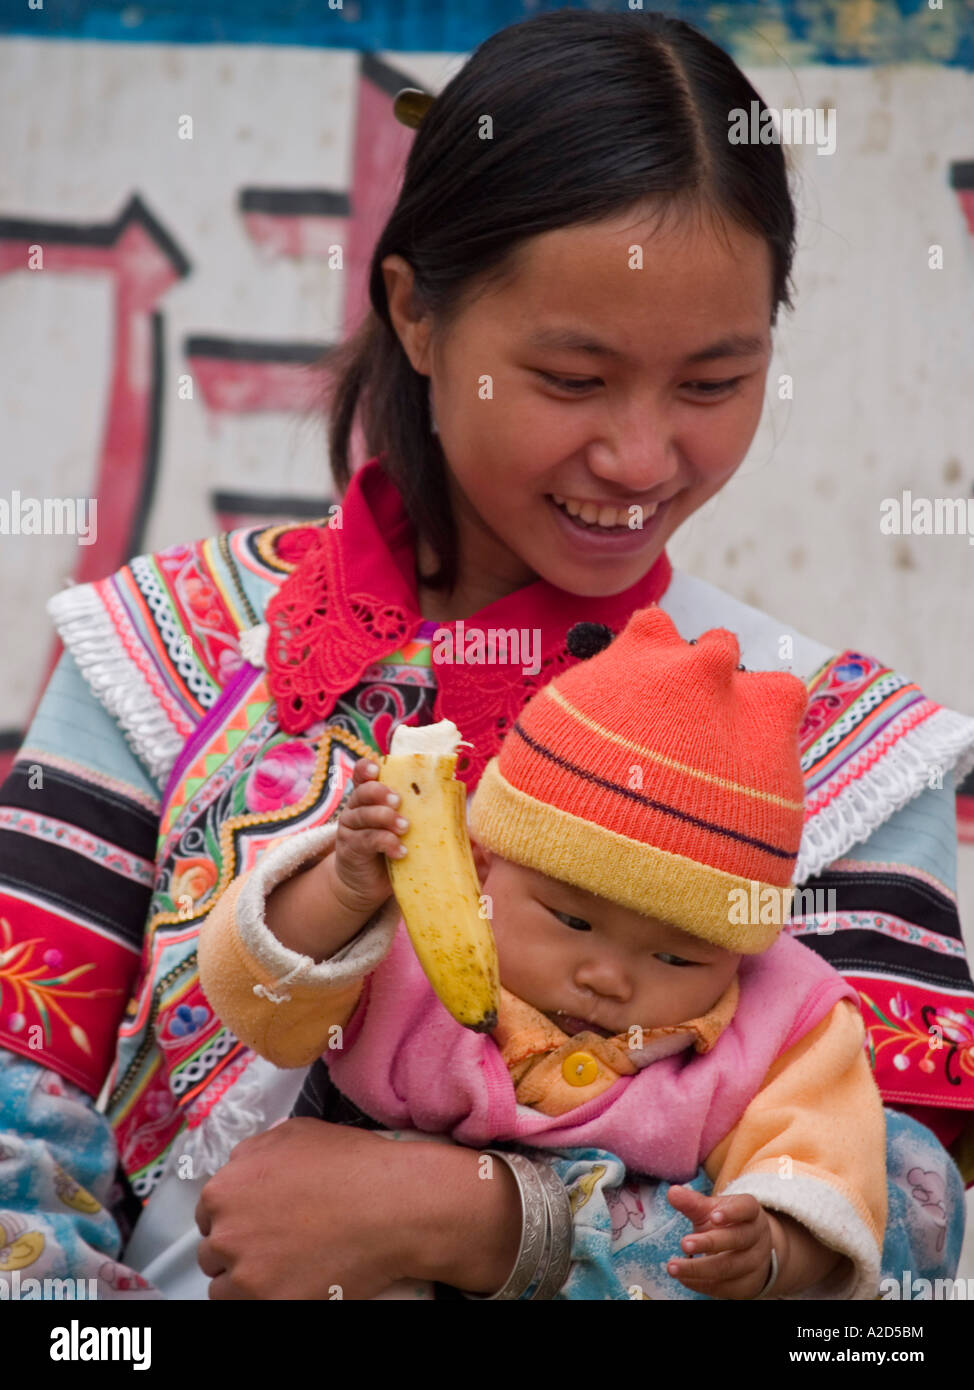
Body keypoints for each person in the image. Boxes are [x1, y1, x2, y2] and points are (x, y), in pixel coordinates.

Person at [1, 9, 971, 1300]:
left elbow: (903, 1216)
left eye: (710, 383)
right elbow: (15, 1104)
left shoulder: (838, 749)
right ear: (413, 311)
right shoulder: (163, 659)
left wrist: (498, 1224)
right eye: (571, 378)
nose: (639, 459)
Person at [198, 604, 889, 1301]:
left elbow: (829, 1167)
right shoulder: (417, 935)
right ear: (484, 864)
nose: (608, 978)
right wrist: (344, 892)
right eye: (572, 922)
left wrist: (772, 1245)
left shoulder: (783, 1023)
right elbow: (260, 997)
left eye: (677, 961)